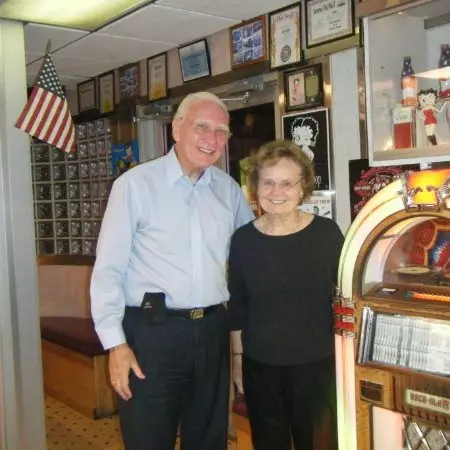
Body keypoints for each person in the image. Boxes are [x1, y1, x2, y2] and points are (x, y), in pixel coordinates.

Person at [90, 91, 254, 450]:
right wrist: (116, 345)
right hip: (151, 335)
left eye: (221, 131)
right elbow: (108, 271)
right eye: (202, 126)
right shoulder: (134, 186)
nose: (212, 139)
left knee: (209, 440)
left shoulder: (228, 191)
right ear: (177, 128)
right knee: (149, 439)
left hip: (212, 332)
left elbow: (251, 251)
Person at [228, 140, 344, 450]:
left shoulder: (327, 235)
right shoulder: (242, 240)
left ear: (302, 186)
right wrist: (238, 362)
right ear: (256, 186)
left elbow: (347, 299)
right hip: (261, 369)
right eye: (268, 182)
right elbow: (238, 309)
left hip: (317, 368)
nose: (276, 192)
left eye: (286, 183)